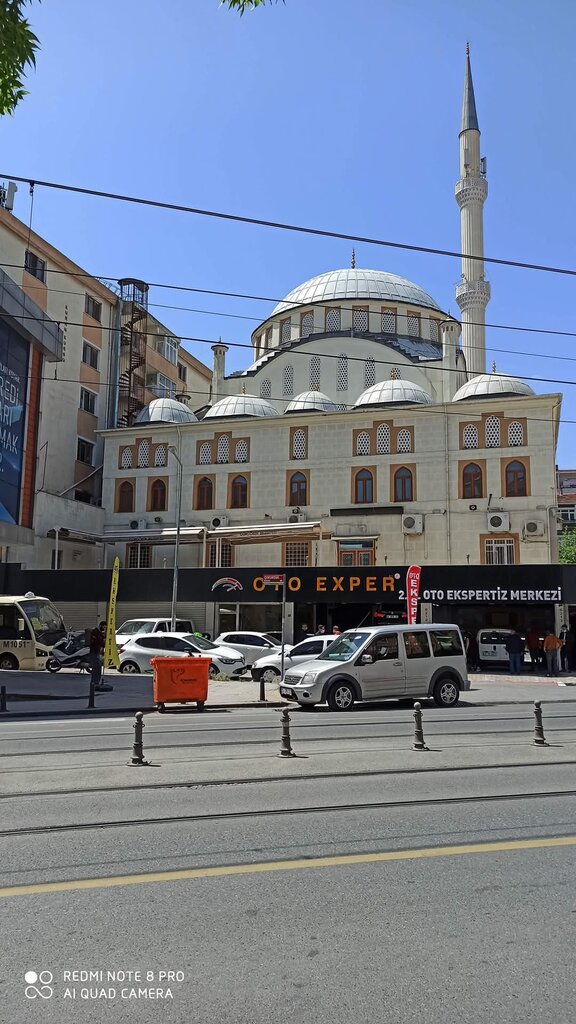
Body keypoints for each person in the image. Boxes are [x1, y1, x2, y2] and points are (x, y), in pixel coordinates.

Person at [88, 621, 106, 687]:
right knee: (96, 666)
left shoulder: (101, 633)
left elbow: (103, 644)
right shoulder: (95, 632)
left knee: (98, 666)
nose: (104, 629)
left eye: (105, 628)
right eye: (103, 627)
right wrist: (102, 639)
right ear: (100, 626)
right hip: (93, 652)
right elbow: (94, 642)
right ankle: (94, 682)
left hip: (98, 652)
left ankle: (96, 681)